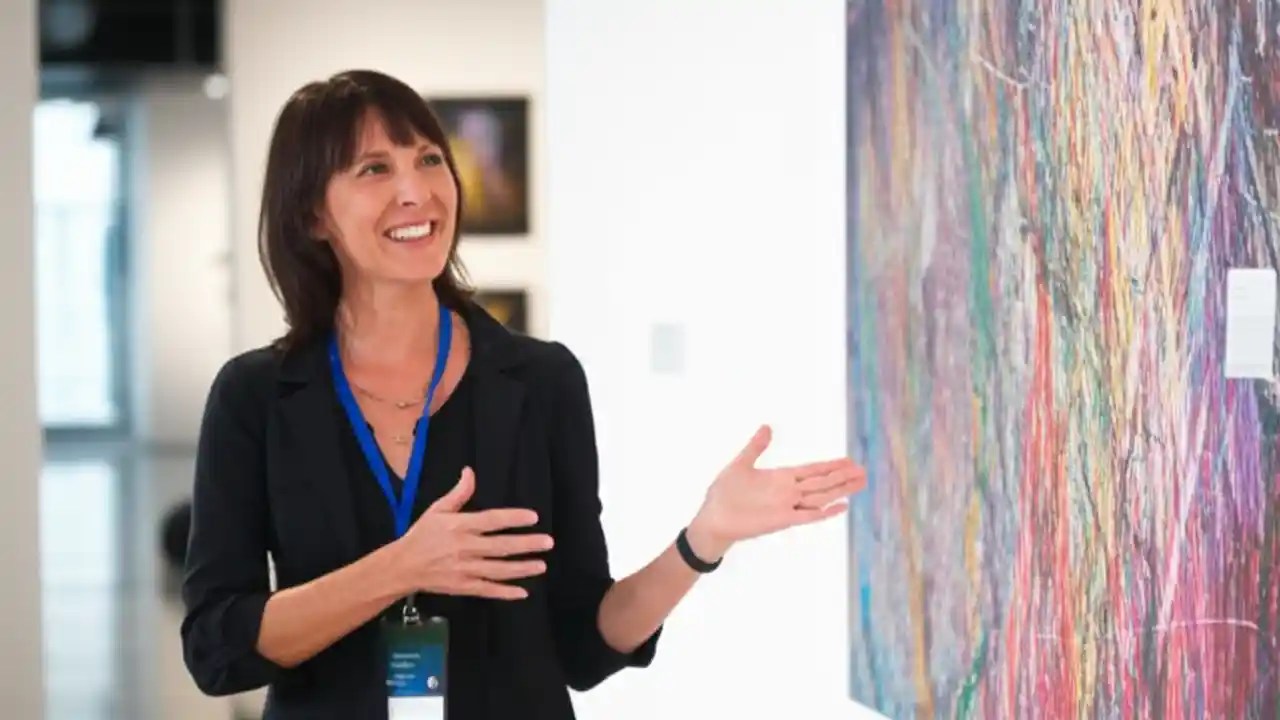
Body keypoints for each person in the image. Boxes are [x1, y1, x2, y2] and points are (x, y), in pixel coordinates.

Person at [180, 69, 866, 720]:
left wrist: (703, 539)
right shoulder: (257, 398)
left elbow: (583, 642)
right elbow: (218, 647)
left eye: (428, 159)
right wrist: (402, 568)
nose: (417, 191)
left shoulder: (540, 382)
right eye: (374, 169)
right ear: (312, 216)